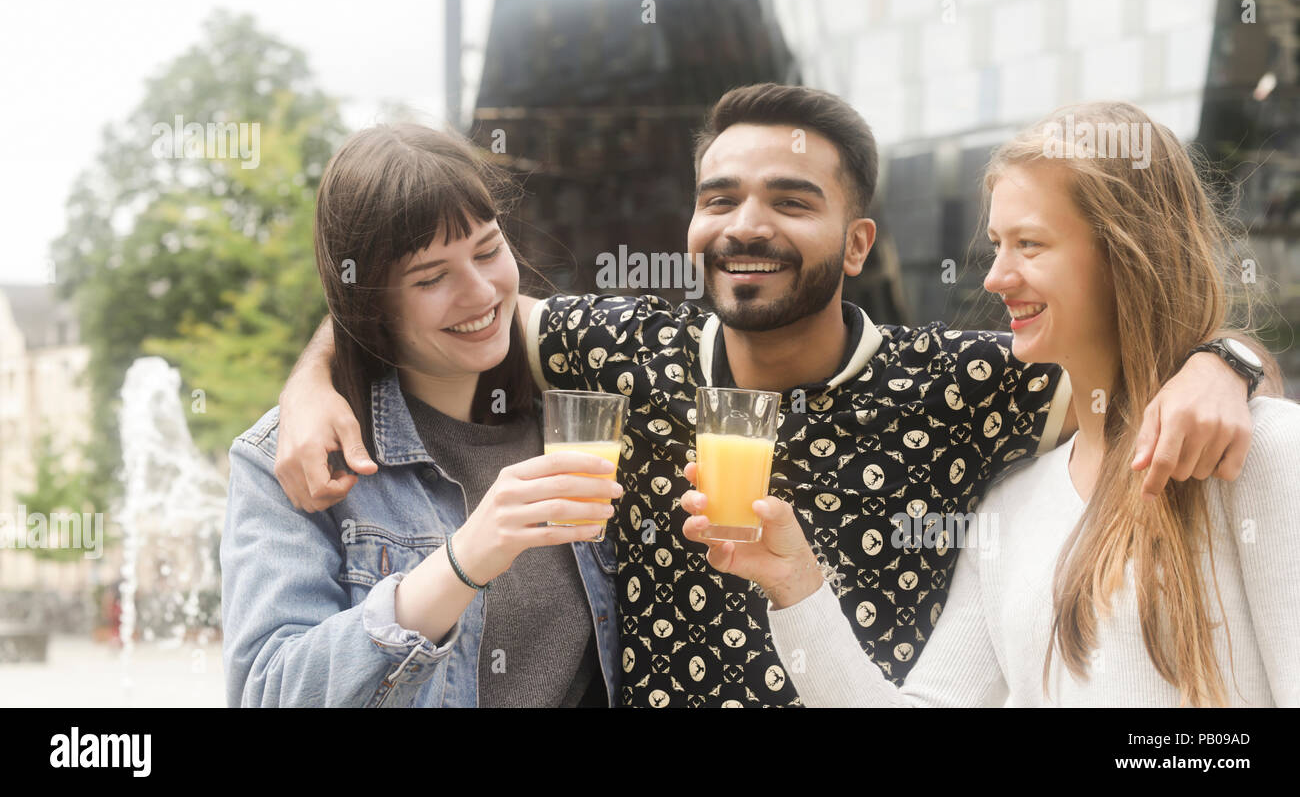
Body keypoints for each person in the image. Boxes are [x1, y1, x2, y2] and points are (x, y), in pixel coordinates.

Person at [273, 85, 1259, 707]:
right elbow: (431, 296)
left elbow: (1143, 351)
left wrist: (1227, 358)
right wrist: (314, 375)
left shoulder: (968, 384)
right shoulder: (616, 349)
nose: (745, 223)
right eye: (718, 198)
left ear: (859, 243)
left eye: (790, 199)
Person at [683, 101, 1298, 706]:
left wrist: (1225, 360)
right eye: (998, 244)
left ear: (1129, 256)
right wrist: (794, 582)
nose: (995, 278)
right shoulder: (1011, 507)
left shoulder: (1262, 453)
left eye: (1030, 244)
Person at [221, 124, 621, 707]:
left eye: (488, 250)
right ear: (370, 301)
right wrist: (462, 563)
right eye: (432, 277)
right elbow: (270, 691)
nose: (481, 291)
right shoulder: (293, 456)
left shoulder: (581, 414)